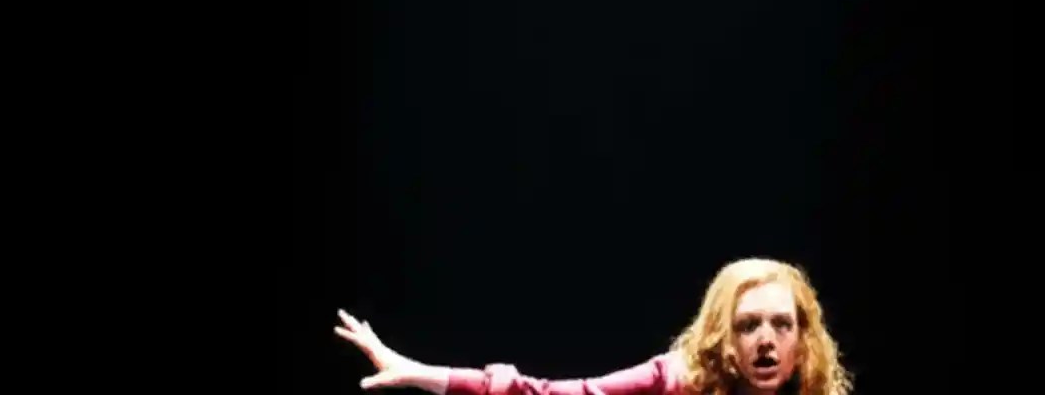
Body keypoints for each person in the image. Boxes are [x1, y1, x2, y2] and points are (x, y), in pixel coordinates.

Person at [335, 257, 852, 395]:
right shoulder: (672, 382)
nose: (766, 340)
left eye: (782, 325)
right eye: (748, 325)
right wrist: (422, 372)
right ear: (724, 338)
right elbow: (542, 394)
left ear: (804, 340)